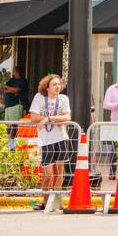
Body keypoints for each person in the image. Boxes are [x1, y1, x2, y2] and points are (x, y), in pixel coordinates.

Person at [28, 75, 71, 211]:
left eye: (59, 84)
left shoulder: (63, 99)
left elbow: (68, 117)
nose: (58, 87)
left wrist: (48, 118)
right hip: (46, 140)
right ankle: (45, 201)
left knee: (59, 173)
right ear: (47, 87)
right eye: (54, 84)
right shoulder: (39, 98)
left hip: (61, 138)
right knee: (48, 174)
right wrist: (52, 119)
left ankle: (56, 200)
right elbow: (34, 117)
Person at [1, 66, 30, 149]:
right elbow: (4, 89)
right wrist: (11, 90)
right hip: (8, 105)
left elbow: (17, 90)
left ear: (17, 72)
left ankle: (14, 144)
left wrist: (10, 89)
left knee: (15, 125)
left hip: (16, 105)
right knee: (9, 125)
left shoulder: (22, 81)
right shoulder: (11, 80)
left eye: (13, 70)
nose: (12, 72)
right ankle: (10, 142)